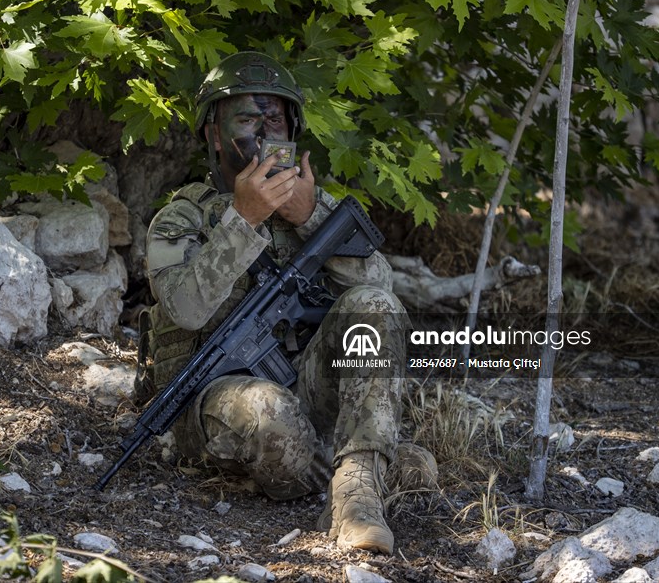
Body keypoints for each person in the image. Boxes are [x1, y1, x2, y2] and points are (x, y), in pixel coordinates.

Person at [136, 51, 436, 554]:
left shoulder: (307, 206)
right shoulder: (180, 219)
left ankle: (358, 494)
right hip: (211, 402)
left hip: (308, 390)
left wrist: (310, 217)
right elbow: (185, 309)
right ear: (214, 135)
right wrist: (243, 219)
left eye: (273, 119)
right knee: (268, 411)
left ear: (292, 130)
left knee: (372, 305)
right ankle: (366, 459)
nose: (262, 131)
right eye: (246, 119)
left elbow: (381, 290)